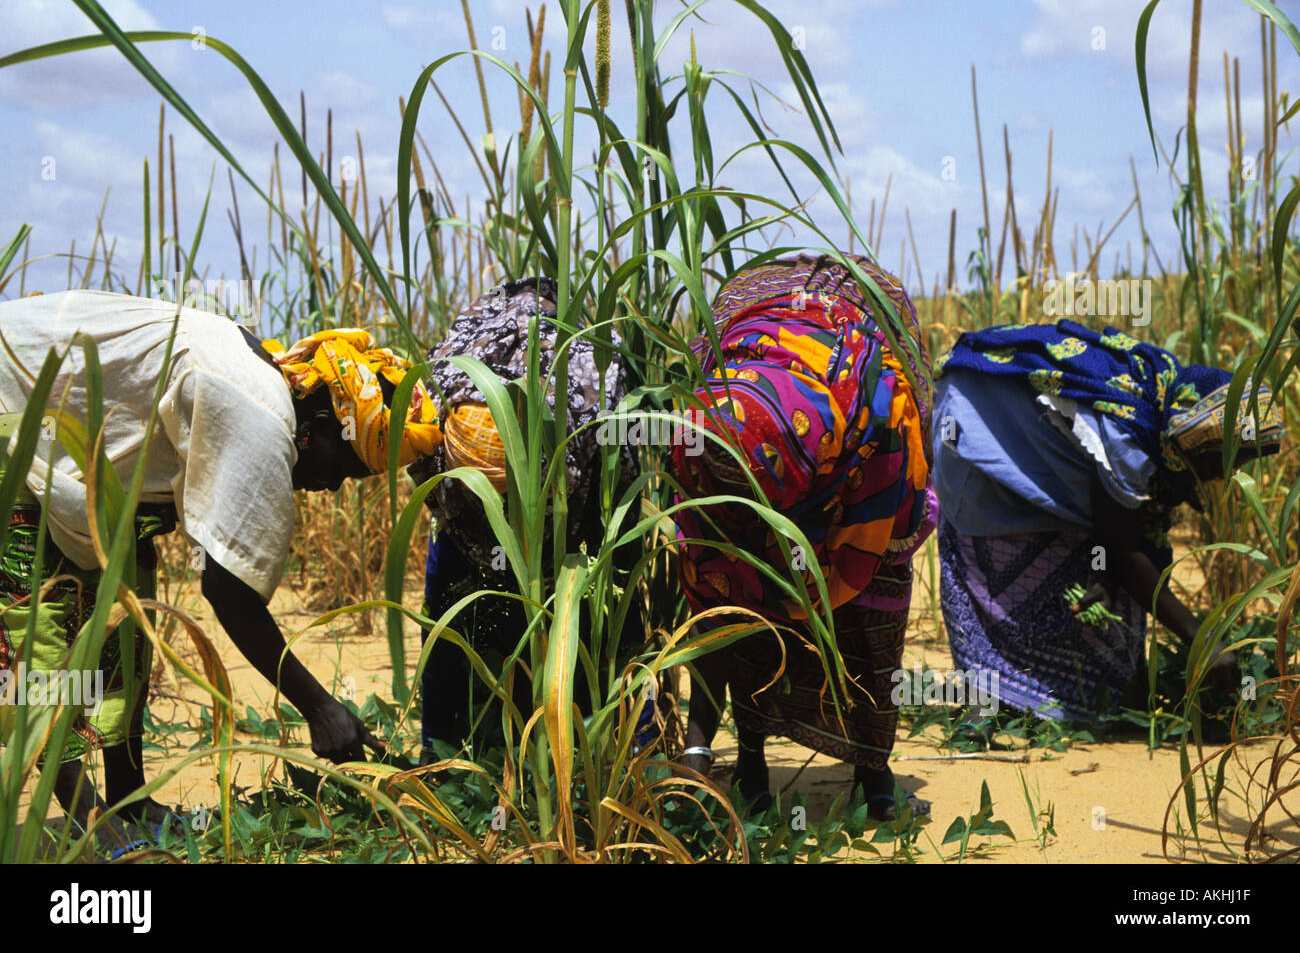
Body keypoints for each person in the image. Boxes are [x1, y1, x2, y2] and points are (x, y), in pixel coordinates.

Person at [0, 290, 440, 846]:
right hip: (12, 426)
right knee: (40, 641)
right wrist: (323, 708)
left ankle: (128, 799)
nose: (332, 486)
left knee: (123, 623)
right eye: (345, 468)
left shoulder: (261, 385)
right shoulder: (261, 414)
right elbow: (228, 592)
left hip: (82, 478)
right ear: (321, 424)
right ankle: (97, 828)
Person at [670, 254, 936, 820]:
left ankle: (872, 767)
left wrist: (825, 560)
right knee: (739, 615)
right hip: (752, 457)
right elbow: (705, 586)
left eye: (761, 489)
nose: (758, 508)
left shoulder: (878, 419)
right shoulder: (698, 442)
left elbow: (895, 527)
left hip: (854, 487)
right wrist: (695, 752)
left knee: (869, 622)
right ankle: (749, 760)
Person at [931, 319, 1281, 723]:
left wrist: (1102, 576)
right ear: (1195, 440)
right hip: (977, 427)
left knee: (1096, 564)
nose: (1231, 471)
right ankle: (991, 699)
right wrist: (1202, 639)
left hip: (1015, 423)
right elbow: (1126, 548)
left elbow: (1111, 534)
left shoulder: (1162, 398)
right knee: (1008, 552)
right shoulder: (1128, 438)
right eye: (1229, 457)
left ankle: (1066, 698)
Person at [408, 277, 643, 764]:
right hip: (474, 468)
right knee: (447, 608)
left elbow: (620, 517)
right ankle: (438, 746)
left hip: (576, 466)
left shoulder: (594, 414)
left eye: (507, 500)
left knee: (611, 607)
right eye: (486, 499)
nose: (500, 518)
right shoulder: (441, 409)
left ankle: (629, 748)